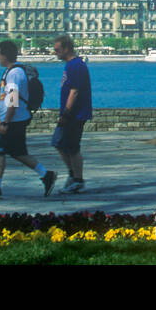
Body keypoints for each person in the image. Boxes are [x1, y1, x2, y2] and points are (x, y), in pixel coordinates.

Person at [0, 40, 56, 200]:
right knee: (18, 152)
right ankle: (47, 175)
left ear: (5, 55)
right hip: (17, 118)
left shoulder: (14, 74)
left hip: (14, 120)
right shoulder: (12, 71)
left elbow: (12, 100)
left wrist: (5, 121)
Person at [52, 34, 92, 194]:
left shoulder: (76, 66)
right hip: (69, 114)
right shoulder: (70, 65)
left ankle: (78, 180)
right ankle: (72, 174)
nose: (55, 53)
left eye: (58, 50)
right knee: (59, 143)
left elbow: (74, 92)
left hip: (75, 115)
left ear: (66, 48)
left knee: (72, 147)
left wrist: (66, 113)